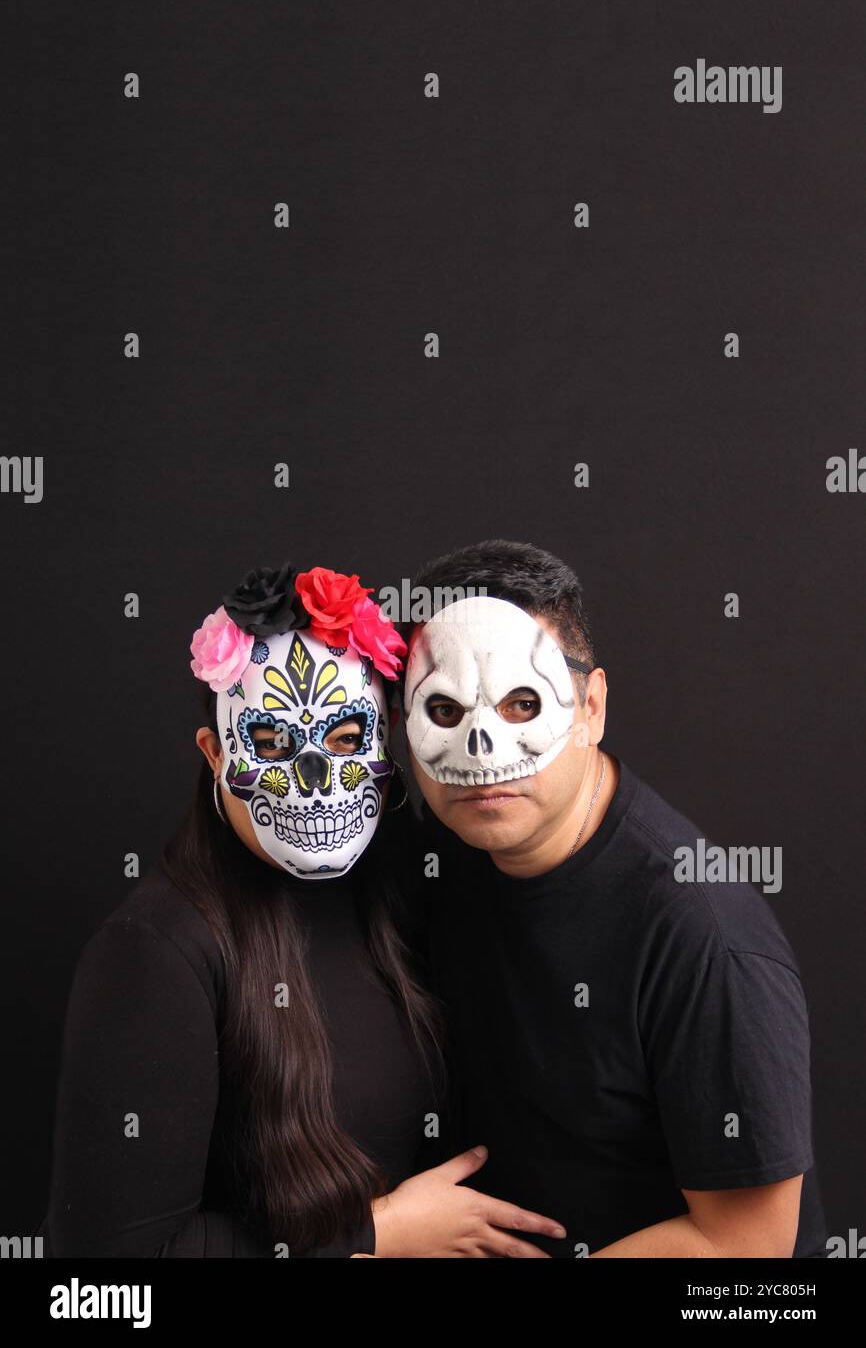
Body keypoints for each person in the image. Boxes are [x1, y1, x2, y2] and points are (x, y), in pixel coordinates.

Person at [38, 559, 566, 1257]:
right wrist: (375, 1236)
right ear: (215, 756)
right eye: (273, 745)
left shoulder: (399, 880)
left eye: (347, 739)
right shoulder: (154, 955)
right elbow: (98, 1280)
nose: (316, 781)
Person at [403, 538, 828, 1259]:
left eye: (522, 702)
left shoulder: (703, 934)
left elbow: (746, 1247)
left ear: (590, 708)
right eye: (443, 710)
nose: (481, 747)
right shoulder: (444, 853)